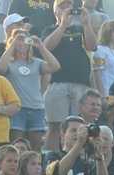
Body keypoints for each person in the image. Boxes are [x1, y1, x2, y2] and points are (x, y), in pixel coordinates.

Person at [43, 0, 98, 151]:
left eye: (69, 5)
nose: (67, 8)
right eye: (63, 5)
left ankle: (79, 156)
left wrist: (86, 24)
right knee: (55, 125)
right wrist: (62, 25)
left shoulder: (81, 29)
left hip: (81, 83)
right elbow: (46, 47)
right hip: (58, 82)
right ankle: (51, 157)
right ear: (55, 11)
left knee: (80, 125)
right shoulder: (50, 29)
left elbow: (92, 46)